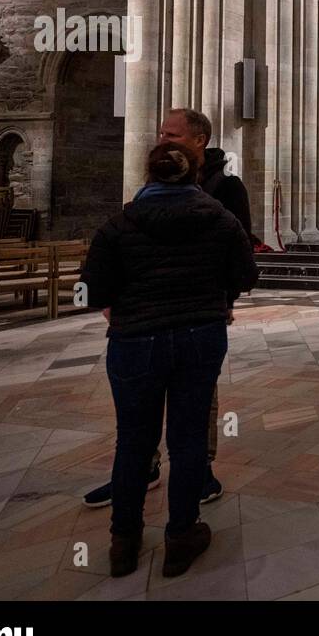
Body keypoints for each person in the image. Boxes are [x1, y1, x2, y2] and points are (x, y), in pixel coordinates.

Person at [81, 143, 258, 578]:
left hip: (135, 340)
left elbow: (92, 291)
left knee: (133, 442)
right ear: (197, 173)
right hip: (199, 335)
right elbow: (246, 276)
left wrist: (120, 304)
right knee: (189, 437)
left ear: (148, 174)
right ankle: (180, 536)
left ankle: (124, 542)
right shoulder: (218, 219)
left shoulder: (118, 224)